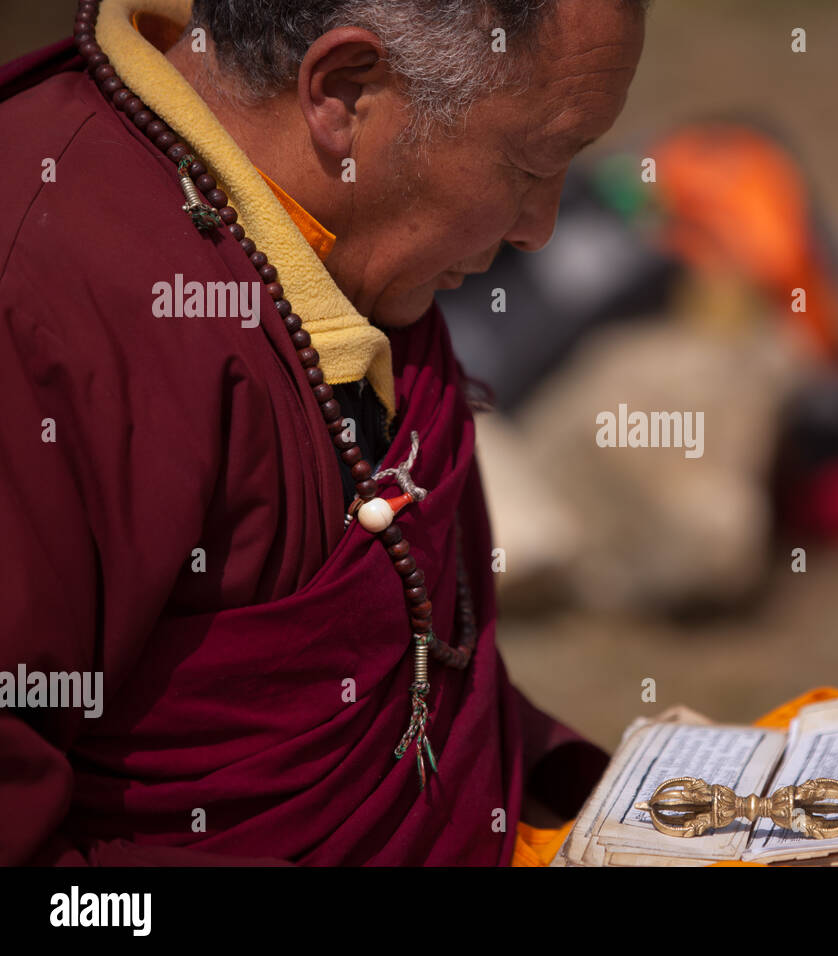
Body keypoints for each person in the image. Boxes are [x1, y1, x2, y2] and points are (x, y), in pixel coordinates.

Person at [0, 0, 645, 865]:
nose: (540, 230)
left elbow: (421, 662)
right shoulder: (43, 298)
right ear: (343, 96)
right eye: (533, 163)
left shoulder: (353, 260)